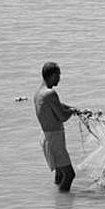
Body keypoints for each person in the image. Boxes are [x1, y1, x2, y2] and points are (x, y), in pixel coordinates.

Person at [34, 61, 87, 192]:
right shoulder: (50, 93)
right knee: (69, 175)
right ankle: (63, 205)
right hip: (54, 138)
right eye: (58, 75)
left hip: (47, 136)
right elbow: (62, 117)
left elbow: (58, 105)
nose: (59, 78)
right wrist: (72, 112)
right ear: (52, 75)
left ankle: (59, 204)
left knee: (60, 173)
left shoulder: (39, 92)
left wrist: (73, 108)